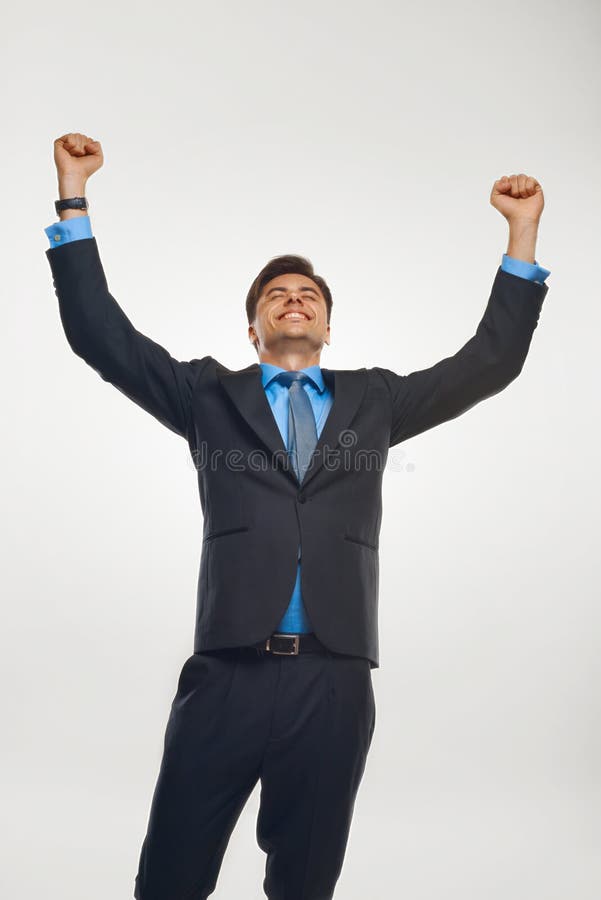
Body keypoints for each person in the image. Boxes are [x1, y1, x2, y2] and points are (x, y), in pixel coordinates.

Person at [44, 132, 551, 900]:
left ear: (325, 328)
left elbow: (489, 362)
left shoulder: (374, 401)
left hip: (334, 677)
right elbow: (98, 334)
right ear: (253, 330)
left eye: (308, 295)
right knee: (172, 874)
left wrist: (520, 234)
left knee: (306, 881)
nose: (293, 298)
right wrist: (74, 193)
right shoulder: (207, 396)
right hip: (226, 673)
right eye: (275, 295)